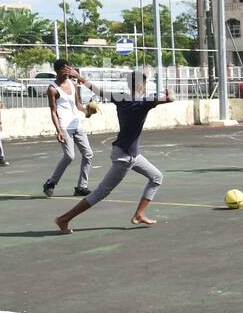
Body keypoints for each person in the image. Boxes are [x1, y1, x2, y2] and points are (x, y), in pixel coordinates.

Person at [54, 69, 172, 233]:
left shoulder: (120, 98)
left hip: (130, 154)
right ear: (142, 86)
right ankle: (63, 219)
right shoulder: (144, 101)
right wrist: (167, 90)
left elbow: (97, 90)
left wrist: (80, 77)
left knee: (156, 176)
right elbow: (170, 98)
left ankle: (139, 214)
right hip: (125, 157)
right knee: (101, 193)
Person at [42, 59, 93, 198]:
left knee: (88, 154)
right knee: (69, 156)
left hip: (77, 125)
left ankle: (81, 187)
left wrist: (86, 111)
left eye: (68, 70)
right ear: (57, 71)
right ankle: (51, 182)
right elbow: (53, 111)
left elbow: (78, 104)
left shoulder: (72, 84)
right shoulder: (52, 88)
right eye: (64, 71)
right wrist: (58, 130)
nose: (67, 73)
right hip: (64, 126)